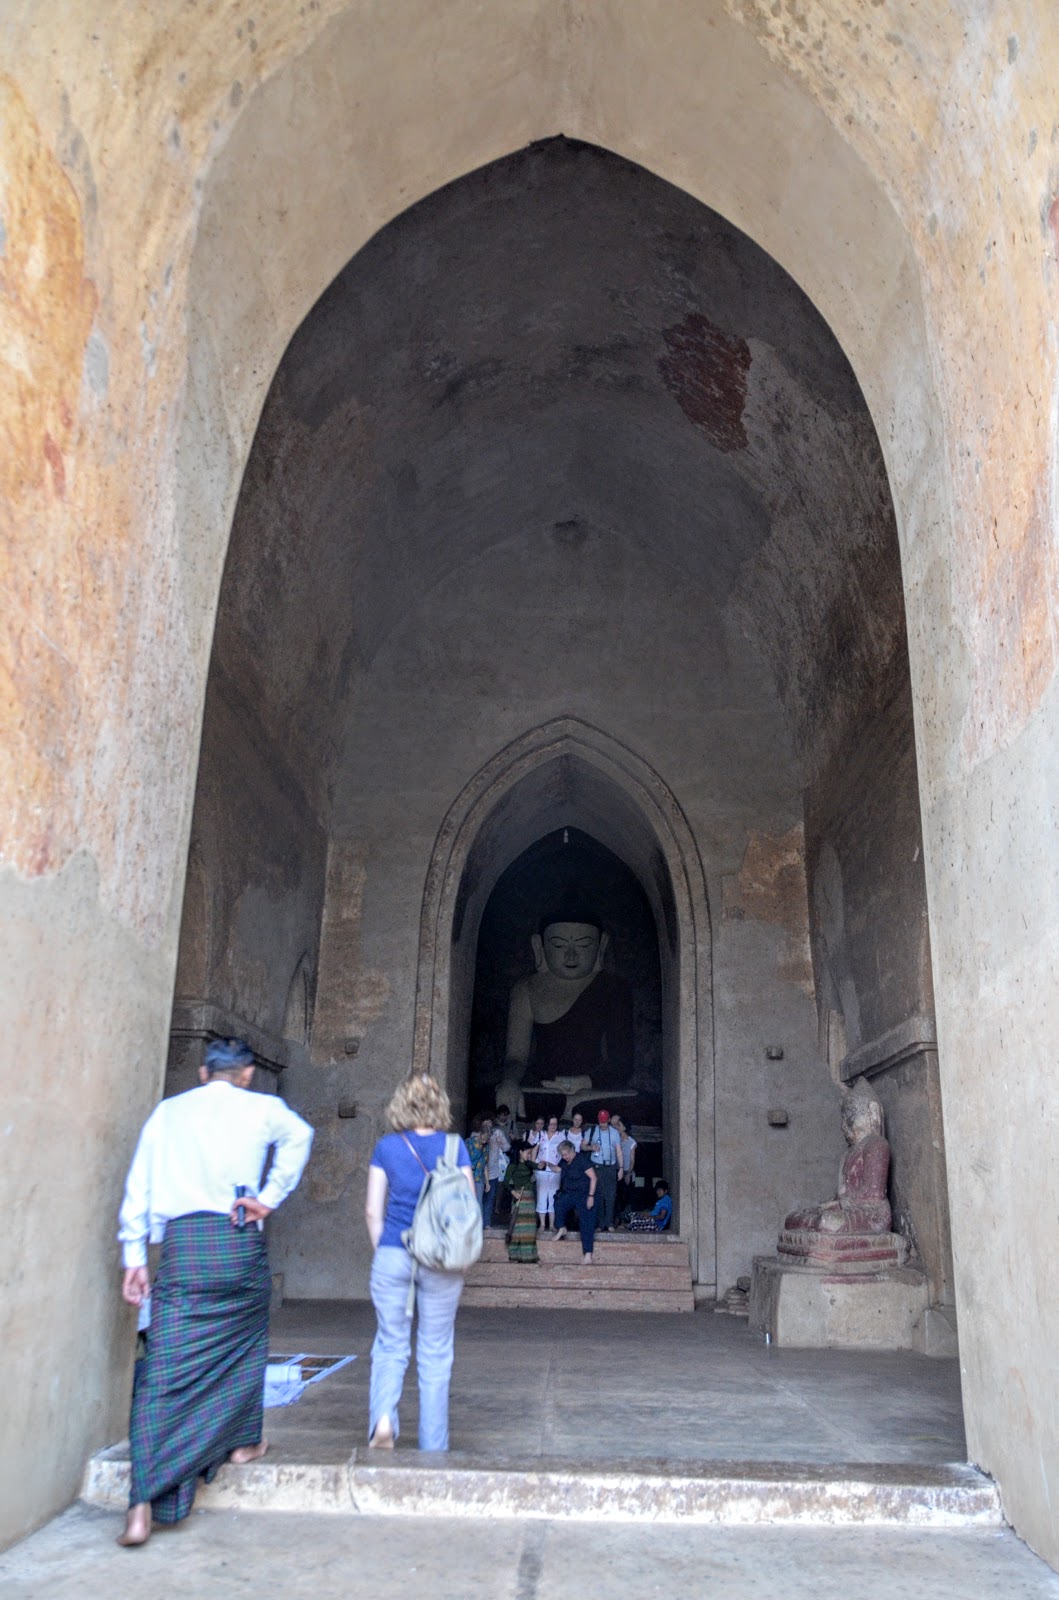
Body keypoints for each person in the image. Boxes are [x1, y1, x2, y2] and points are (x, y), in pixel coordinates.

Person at [116, 1038, 314, 1547]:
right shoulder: (262, 1107)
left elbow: (139, 1185)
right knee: (244, 1345)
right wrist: (268, 1199)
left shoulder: (168, 1113)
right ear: (246, 1074)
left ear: (205, 1073)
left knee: (165, 1366)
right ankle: (243, 1445)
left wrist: (135, 1256)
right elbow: (301, 1136)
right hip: (236, 1238)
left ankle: (141, 1504)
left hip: (183, 1247)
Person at [364, 1074, 474, 1451]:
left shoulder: (387, 1147)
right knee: (436, 1350)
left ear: (402, 1104)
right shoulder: (456, 1147)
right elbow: (467, 1211)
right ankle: (433, 1445)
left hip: (394, 1252)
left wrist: (386, 1249)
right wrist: (461, 1261)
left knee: (390, 1343)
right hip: (441, 1259)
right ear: (440, 1104)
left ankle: (383, 1419)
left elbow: (371, 1210)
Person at [553, 1139, 597, 1261]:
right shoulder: (564, 1161)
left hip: (584, 1194)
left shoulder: (582, 1160)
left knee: (585, 1223)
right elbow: (557, 1169)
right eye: (562, 1155)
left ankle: (588, 1254)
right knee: (559, 1204)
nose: (564, 1157)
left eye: (566, 1154)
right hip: (570, 1193)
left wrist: (591, 1196)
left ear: (572, 1151)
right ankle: (561, 1227)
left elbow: (593, 1178)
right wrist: (547, 1164)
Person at [583, 1108, 624, 1231]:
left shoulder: (615, 1133)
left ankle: (609, 1223)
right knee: (598, 1195)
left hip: (611, 1167)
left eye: (605, 1122)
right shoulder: (592, 1131)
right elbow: (582, 1146)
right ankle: (600, 1224)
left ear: (609, 1120)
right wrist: (591, 1147)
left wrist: (621, 1168)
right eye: (601, 1122)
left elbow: (619, 1151)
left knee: (611, 1196)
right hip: (597, 1166)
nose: (603, 1124)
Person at [504, 1145, 540, 1264]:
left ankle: (529, 1256)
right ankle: (515, 1255)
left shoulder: (529, 1164)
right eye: (527, 1153)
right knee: (518, 1228)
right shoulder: (513, 1165)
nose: (528, 1155)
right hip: (519, 1198)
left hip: (529, 1199)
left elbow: (540, 1166)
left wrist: (544, 1162)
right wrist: (513, 1192)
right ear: (520, 1152)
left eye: (530, 1153)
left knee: (530, 1228)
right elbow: (505, 1182)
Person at [533, 1114, 563, 1230]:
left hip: (554, 1170)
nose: (553, 1126)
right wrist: (534, 1166)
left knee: (553, 1197)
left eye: (555, 1124)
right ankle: (542, 1224)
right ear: (547, 1124)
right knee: (541, 1196)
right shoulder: (541, 1135)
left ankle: (551, 1225)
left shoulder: (560, 1136)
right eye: (551, 1124)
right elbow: (534, 1150)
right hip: (541, 1170)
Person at [483, 1117, 510, 1227]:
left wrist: (501, 1142)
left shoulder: (497, 1133)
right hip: (479, 1173)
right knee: (478, 1198)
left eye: (490, 1121)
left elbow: (507, 1148)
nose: (488, 1123)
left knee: (490, 1199)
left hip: (493, 1171)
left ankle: (487, 1223)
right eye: (486, 1122)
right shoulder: (475, 1135)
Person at [467, 1115, 491, 1211]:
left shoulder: (486, 1147)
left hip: (479, 1177)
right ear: (480, 1134)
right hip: (469, 1176)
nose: (484, 1140)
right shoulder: (471, 1143)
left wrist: (487, 1182)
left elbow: (485, 1164)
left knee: (479, 1202)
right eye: (484, 1138)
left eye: (487, 1139)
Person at [614, 1114, 637, 1212]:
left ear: (624, 1127)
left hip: (627, 1171)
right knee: (616, 1197)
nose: (617, 1127)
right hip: (617, 1170)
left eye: (619, 1125)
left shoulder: (631, 1142)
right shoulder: (616, 1139)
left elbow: (632, 1160)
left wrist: (628, 1174)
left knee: (625, 1198)